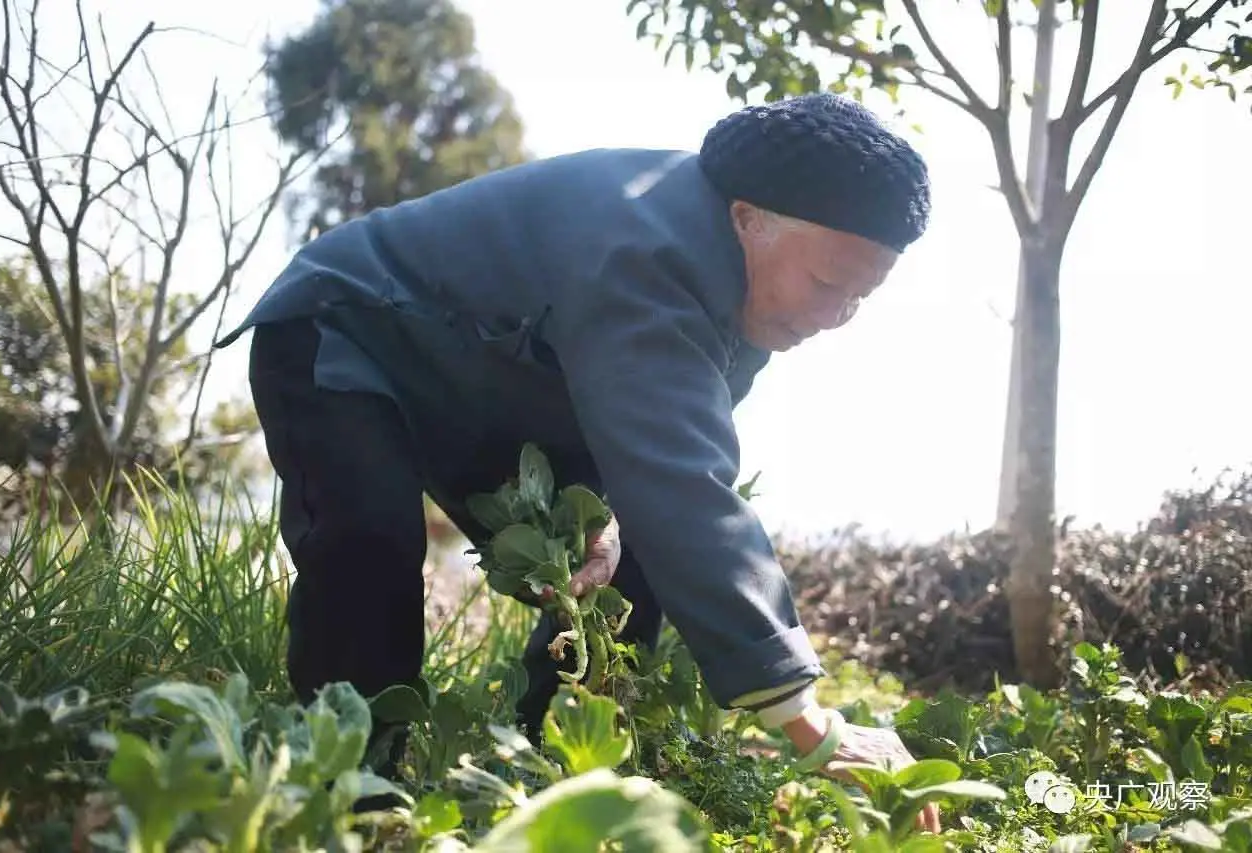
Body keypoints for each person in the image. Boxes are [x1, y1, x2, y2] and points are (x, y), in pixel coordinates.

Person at [215, 92, 940, 832]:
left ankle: (552, 766)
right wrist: (810, 722)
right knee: (368, 541)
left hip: (487, 382)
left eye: (858, 298)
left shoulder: (747, 312)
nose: (831, 318)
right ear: (748, 217)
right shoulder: (649, 247)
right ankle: (346, 792)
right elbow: (685, 491)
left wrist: (611, 515)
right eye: (825, 284)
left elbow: (657, 452)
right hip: (350, 331)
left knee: (629, 559)